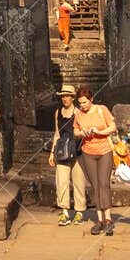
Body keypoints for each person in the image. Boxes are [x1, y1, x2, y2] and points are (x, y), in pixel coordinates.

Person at [74, 85, 118, 235]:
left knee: (104, 184)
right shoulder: (78, 114)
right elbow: (75, 131)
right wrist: (82, 132)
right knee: (95, 185)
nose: (83, 106)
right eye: (80, 103)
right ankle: (99, 220)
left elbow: (113, 127)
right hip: (88, 152)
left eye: (85, 102)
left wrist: (99, 131)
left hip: (104, 150)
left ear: (91, 99)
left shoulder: (101, 109)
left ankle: (108, 219)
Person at [48, 85, 86, 226]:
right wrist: (52, 152)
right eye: (63, 96)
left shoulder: (79, 112)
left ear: (73, 97)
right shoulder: (58, 112)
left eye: (67, 95)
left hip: (77, 150)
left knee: (78, 182)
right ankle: (64, 212)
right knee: (62, 181)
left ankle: (79, 212)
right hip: (62, 150)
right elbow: (57, 133)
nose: (65, 98)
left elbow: (83, 132)